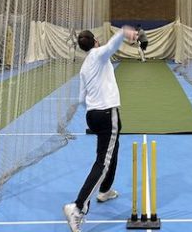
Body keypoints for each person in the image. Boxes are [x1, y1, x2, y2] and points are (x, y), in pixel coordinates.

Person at [63, 25, 138, 232]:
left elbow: (80, 99)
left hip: (92, 115)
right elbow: (111, 46)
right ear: (94, 42)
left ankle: (104, 190)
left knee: (110, 152)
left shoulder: (85, 66)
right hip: (107, 114)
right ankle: (77, 208)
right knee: (103, 162)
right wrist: (124, 32)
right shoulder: (97, 54)